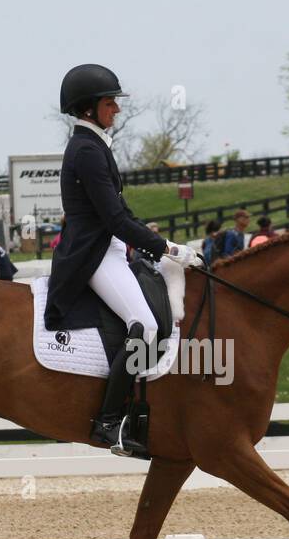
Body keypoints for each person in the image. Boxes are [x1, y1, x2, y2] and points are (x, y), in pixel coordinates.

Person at [46, 62, 195, 454]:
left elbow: (121, 214)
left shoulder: (95, 145)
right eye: (111, 103)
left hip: (109, 247)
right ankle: (109, 423)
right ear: (89, 108)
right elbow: (113, 219)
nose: (118, 109)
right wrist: (168, 249)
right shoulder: (87, 150)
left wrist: (156, 240)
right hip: (93, 254)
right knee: (144, 326)